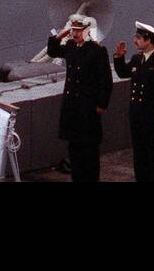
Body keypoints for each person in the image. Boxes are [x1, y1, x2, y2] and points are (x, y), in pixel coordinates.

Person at [47, 14, 112, 183]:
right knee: (74, 150)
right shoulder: (70, 46)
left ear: (87, 31)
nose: (75, 34)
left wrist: (101, 105)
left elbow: (105, 80)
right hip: (72, 109)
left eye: (78, 31)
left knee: (89, 153)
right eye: (73, 30)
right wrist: (59, 36)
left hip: (88, 110)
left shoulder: (97, 51)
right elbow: (52, 51)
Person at [113, 21, 154, 183]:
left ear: (149, 39)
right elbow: (123, 73)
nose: (135, 41)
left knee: (153, 155)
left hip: (152, 117)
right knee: (139, 154)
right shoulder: (136, 59)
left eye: (139, 37)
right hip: (136, 116)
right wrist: (119, 58)